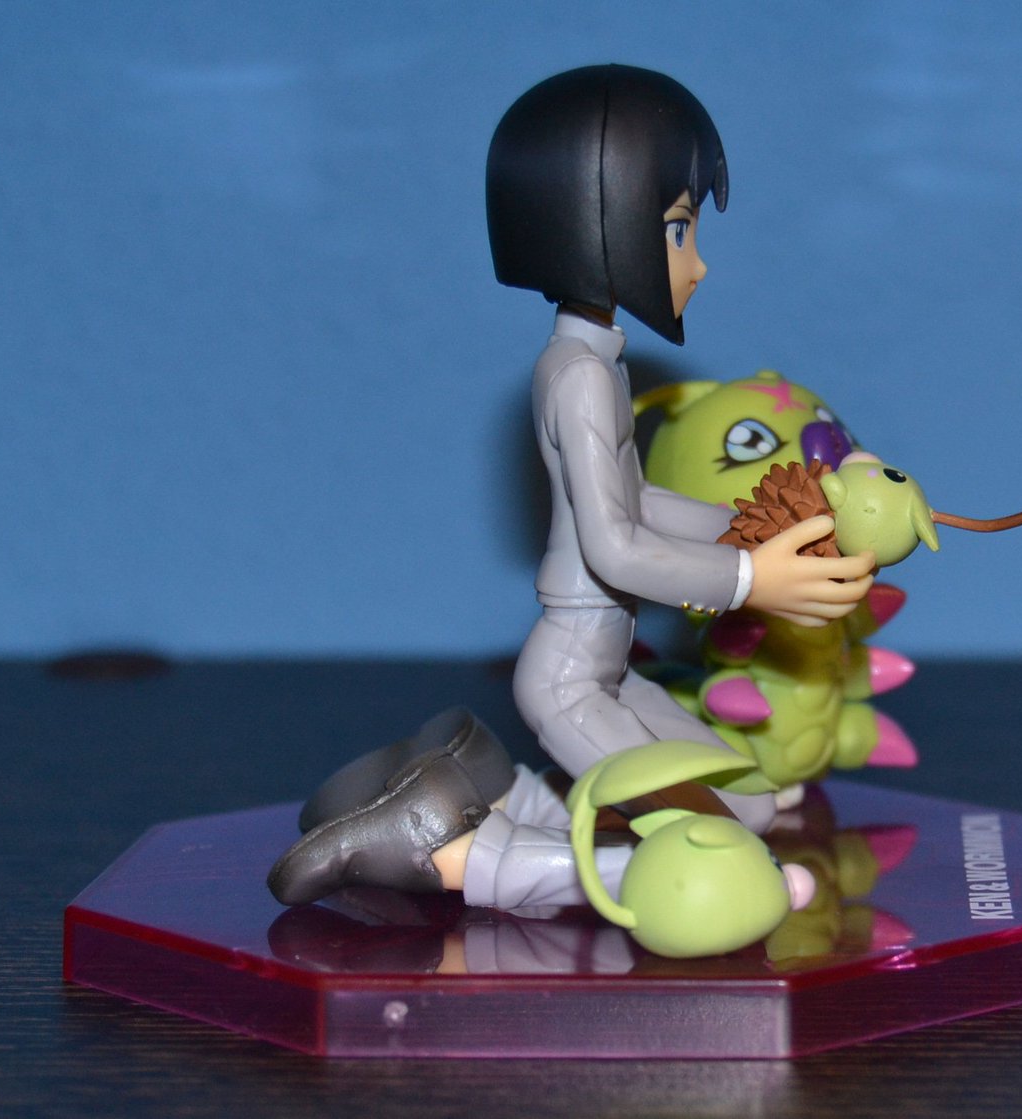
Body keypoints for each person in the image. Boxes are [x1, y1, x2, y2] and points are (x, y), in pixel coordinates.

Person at [268, 66, 872, 917]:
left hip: (608, 670)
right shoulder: (580, 377)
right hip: (570, 679)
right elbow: (613, 548)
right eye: (677, 229)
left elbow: (637, 505)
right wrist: (752, 579)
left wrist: (748, 530)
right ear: (602, 221)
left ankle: (497, 794)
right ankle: (464, 855)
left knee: (747, 804)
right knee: (717, 858)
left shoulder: (595, 366)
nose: (697, 264)